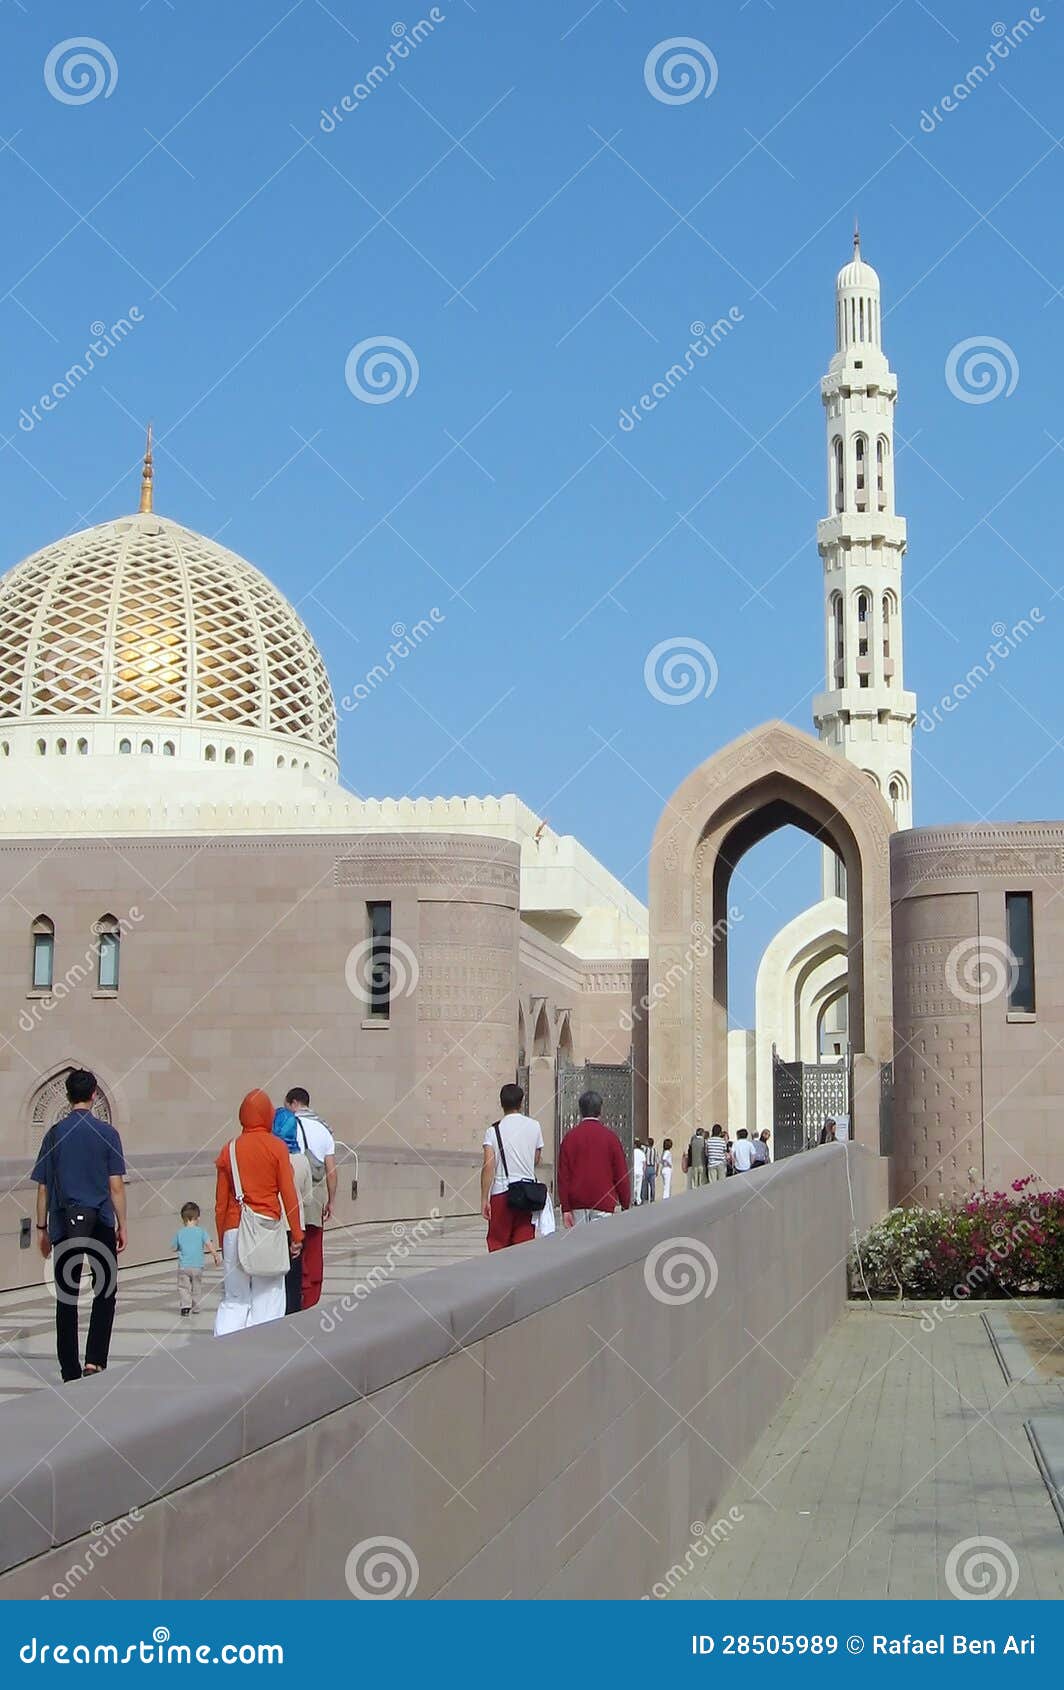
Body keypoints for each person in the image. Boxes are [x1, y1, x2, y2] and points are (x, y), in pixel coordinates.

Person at [31, 1069, 127, 1383]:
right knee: (105, 1292)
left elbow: (43, 1187)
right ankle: (95, 1361)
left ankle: (69, 1369)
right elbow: (115, 1185)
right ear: (94, 1094)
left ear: (68, 1096)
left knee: (67, 1296)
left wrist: (42, 1228)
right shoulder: (107, 1134)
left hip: (65, 1221)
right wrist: (122, 1224)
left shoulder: (55, 1134)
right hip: (99, 1220)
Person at [214, 1090, 303, 1334]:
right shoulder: (277, 1148)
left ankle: (223, 1347)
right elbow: (288, 1194)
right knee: (268, 1294)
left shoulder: (228, 1149)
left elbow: (220, 1203)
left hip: (234, 1228)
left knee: (234, 1298)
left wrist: (224, 1237)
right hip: (264, 1230)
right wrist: (297, 1235)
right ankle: (261, 1352)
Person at [284, 1087, 337, 1310]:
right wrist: (331, 1200)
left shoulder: (287, 1125)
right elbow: (331, 1171)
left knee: (291, 1247)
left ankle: (290, 1299)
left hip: (291, 1193)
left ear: (293, 1102)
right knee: (313, 1249)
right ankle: (309, 1298)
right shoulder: (324, 1129)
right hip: (315, 1196)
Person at [481, 1082, 544, 1251]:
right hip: (526, 1194)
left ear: (501, 1104)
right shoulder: (534, 1126)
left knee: (498, 1245)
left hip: (501, 1193)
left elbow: (488, 1166)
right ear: (521, 1102)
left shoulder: (493, 1131)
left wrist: (484, 1198)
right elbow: (536, 1159)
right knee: (524, 1245)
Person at [557, 1091, 631, 1227]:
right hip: (604, 1202)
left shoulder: (569, 1138)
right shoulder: (611, 1138)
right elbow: (621, 1173)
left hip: (577, 1203)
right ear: (600, 1110)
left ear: (580, 1110)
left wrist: (565, 1207)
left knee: (580, 1246)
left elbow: (563, 1176)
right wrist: (625, 1202)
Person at [273, 1107, 314, 1314]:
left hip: (272, 1226)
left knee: (272, 1280)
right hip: (295, 1225)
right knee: (293, 1280)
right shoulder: (302, 1160)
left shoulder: (270, 1158)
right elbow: (308, 1199)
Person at [172, 1201, 219, 1317]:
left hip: (184, 1266)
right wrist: (215, 1255)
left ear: (183, 1219)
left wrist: (179, 1247)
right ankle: (196, 1306)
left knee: (184, 1287)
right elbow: (209, 1244)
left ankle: (185, 1307)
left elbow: (174, 1247)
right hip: (198, 1266)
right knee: (197, 1287)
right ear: (197, 1218)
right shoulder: (201, 1231)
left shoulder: (180, 1233)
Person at [642, 1137, 657, 1203]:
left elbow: (641, 1146)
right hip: (652, 1168)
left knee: (644, 1184)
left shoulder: (645, 1149)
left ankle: (643, 1198)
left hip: (647, 1167)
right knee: (652, 1185)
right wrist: (657, 1171)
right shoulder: (655, 1150)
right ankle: (652, 1198)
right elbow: (657, 1162)